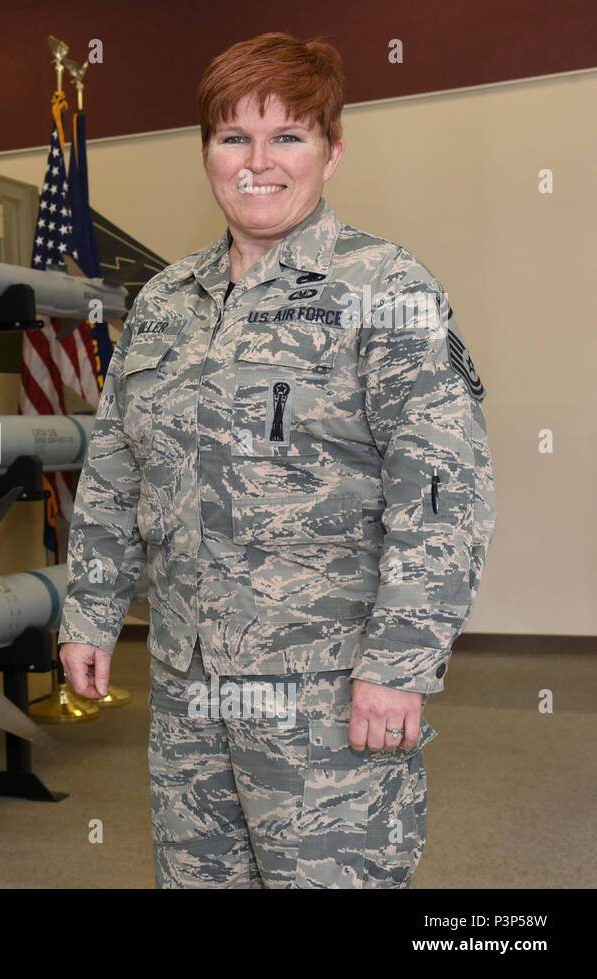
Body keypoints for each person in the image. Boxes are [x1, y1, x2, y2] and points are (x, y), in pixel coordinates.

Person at [58, 32, 495, 888]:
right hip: (189, 686)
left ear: (332, 150)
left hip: (326, 691)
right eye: (233, 137)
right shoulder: (162, 304)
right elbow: (114, 473)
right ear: (207, 152)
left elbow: (442, 490)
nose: (259, 162)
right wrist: (90, 611)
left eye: (288, 136)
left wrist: (398, 666)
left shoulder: (386, 288)